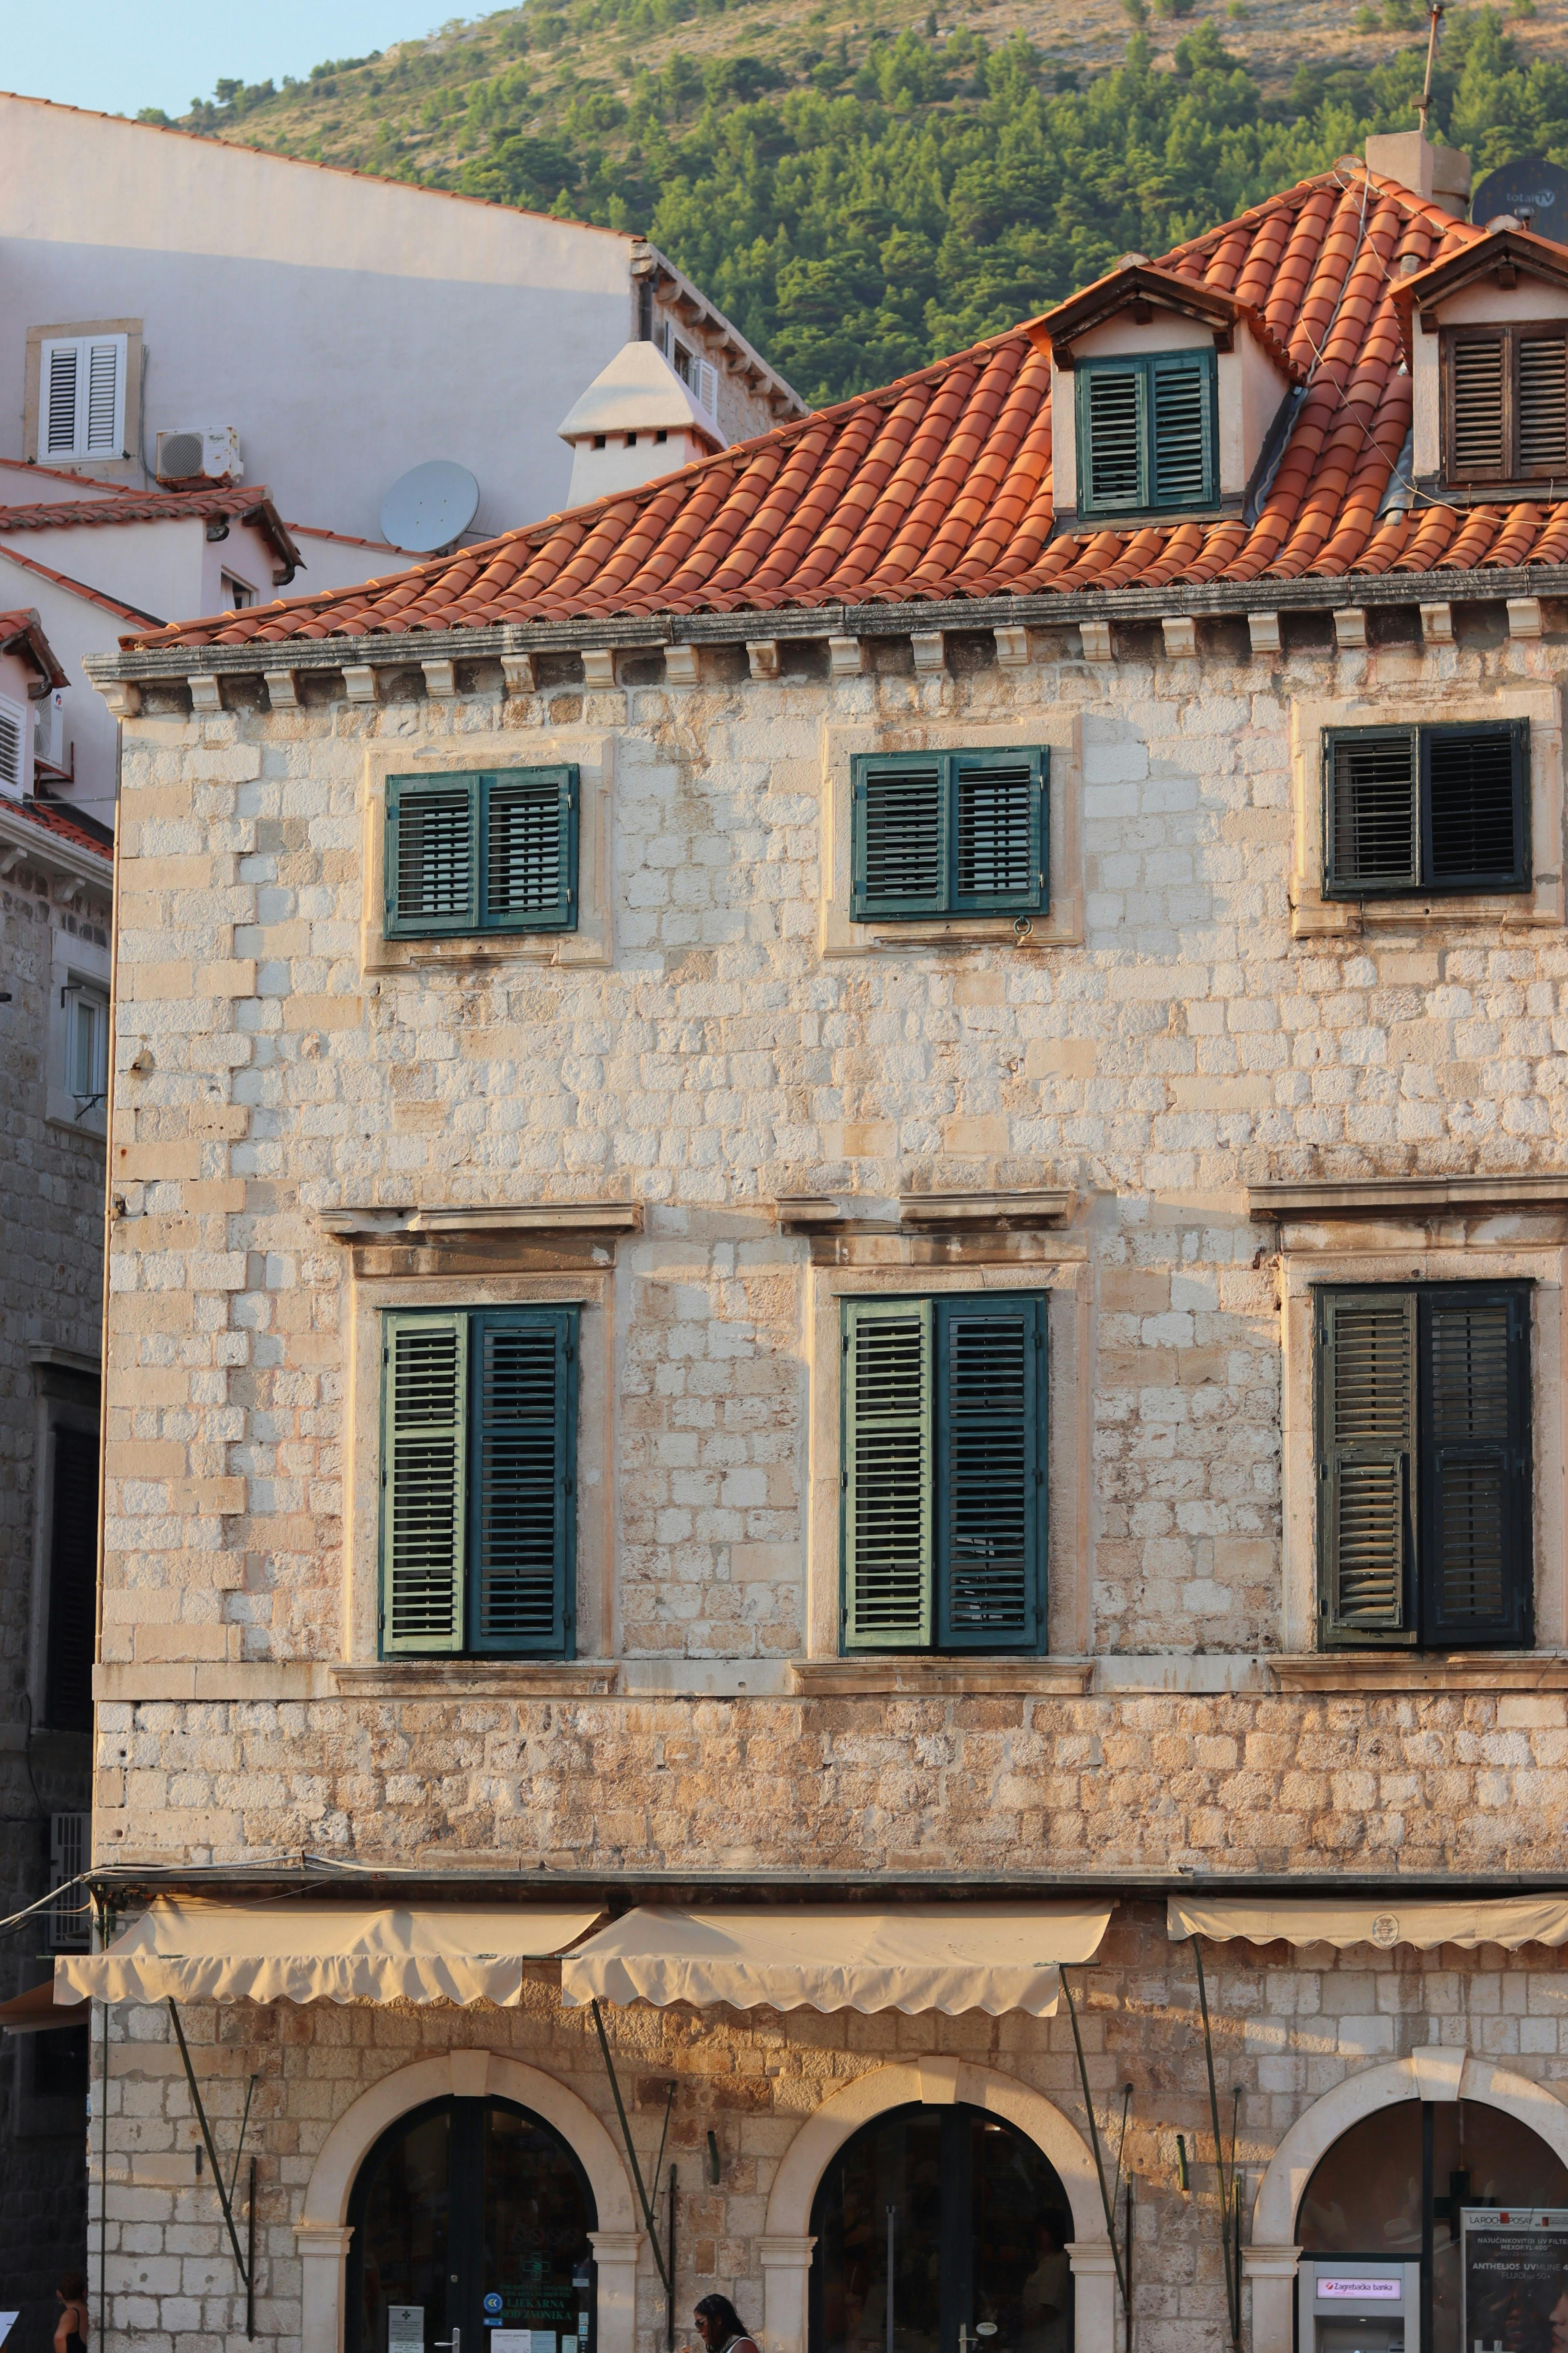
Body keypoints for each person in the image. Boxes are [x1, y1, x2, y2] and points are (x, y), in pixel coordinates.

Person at [694, 2295, 760, 2353]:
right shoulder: (729, 2347)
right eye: (697, 2325)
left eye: (700, 2323)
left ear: (718, 2320)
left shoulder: (743, 2346)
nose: (699, 2330)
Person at [54, 2273, 89, 2353]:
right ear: (84, 2292)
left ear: (59, 2294)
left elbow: (59, 2338)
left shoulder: (70, 2315)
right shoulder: (89, 2310)